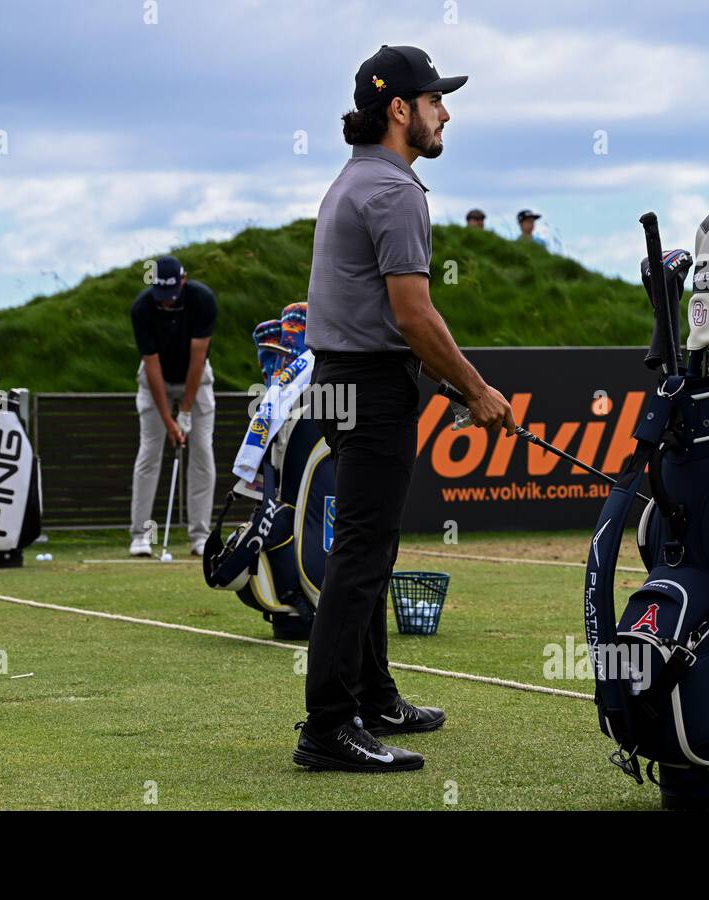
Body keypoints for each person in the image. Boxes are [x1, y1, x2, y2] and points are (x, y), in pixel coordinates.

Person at [295, 45, 515, 773]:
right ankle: (327, 727)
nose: (444, 111)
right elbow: (414, 317)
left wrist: (456, 387)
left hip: (338, 380)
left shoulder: (353, 180)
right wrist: (477, 389)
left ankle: (374, 697)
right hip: (370, 388)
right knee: (362, 553)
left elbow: (390, 319)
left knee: (368, 547)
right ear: (400, 110)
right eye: (434, 101)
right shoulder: (395, 192)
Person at [128, 255, 217, 558]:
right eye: (161, 298)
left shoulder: (202, 300)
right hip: (157, 382)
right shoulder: (141, 309)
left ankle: (200, 537)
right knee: (149, 452)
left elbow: (198, 360)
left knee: (202, 450)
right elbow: (151, 368)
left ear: (184, 280)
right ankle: (141, 535)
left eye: (171, 297)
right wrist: (170, 423)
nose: (166, 304)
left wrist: (187, 413)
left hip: (196, 378)